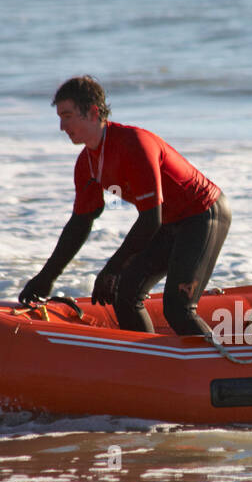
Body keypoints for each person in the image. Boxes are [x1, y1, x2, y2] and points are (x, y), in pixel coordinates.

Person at [18, 76, 232, 337]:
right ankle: (150, 367)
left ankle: (216, 369)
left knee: (178, 308)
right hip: (169, 221)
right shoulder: (86, 164)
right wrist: (47, 276)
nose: (62, 126)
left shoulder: (134, 144)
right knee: (124, 294)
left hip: (203, 214)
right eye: (59, 117)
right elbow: (80, 223)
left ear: (93, 112)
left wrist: (111, 268)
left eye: (67, 116)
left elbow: (150, 219)